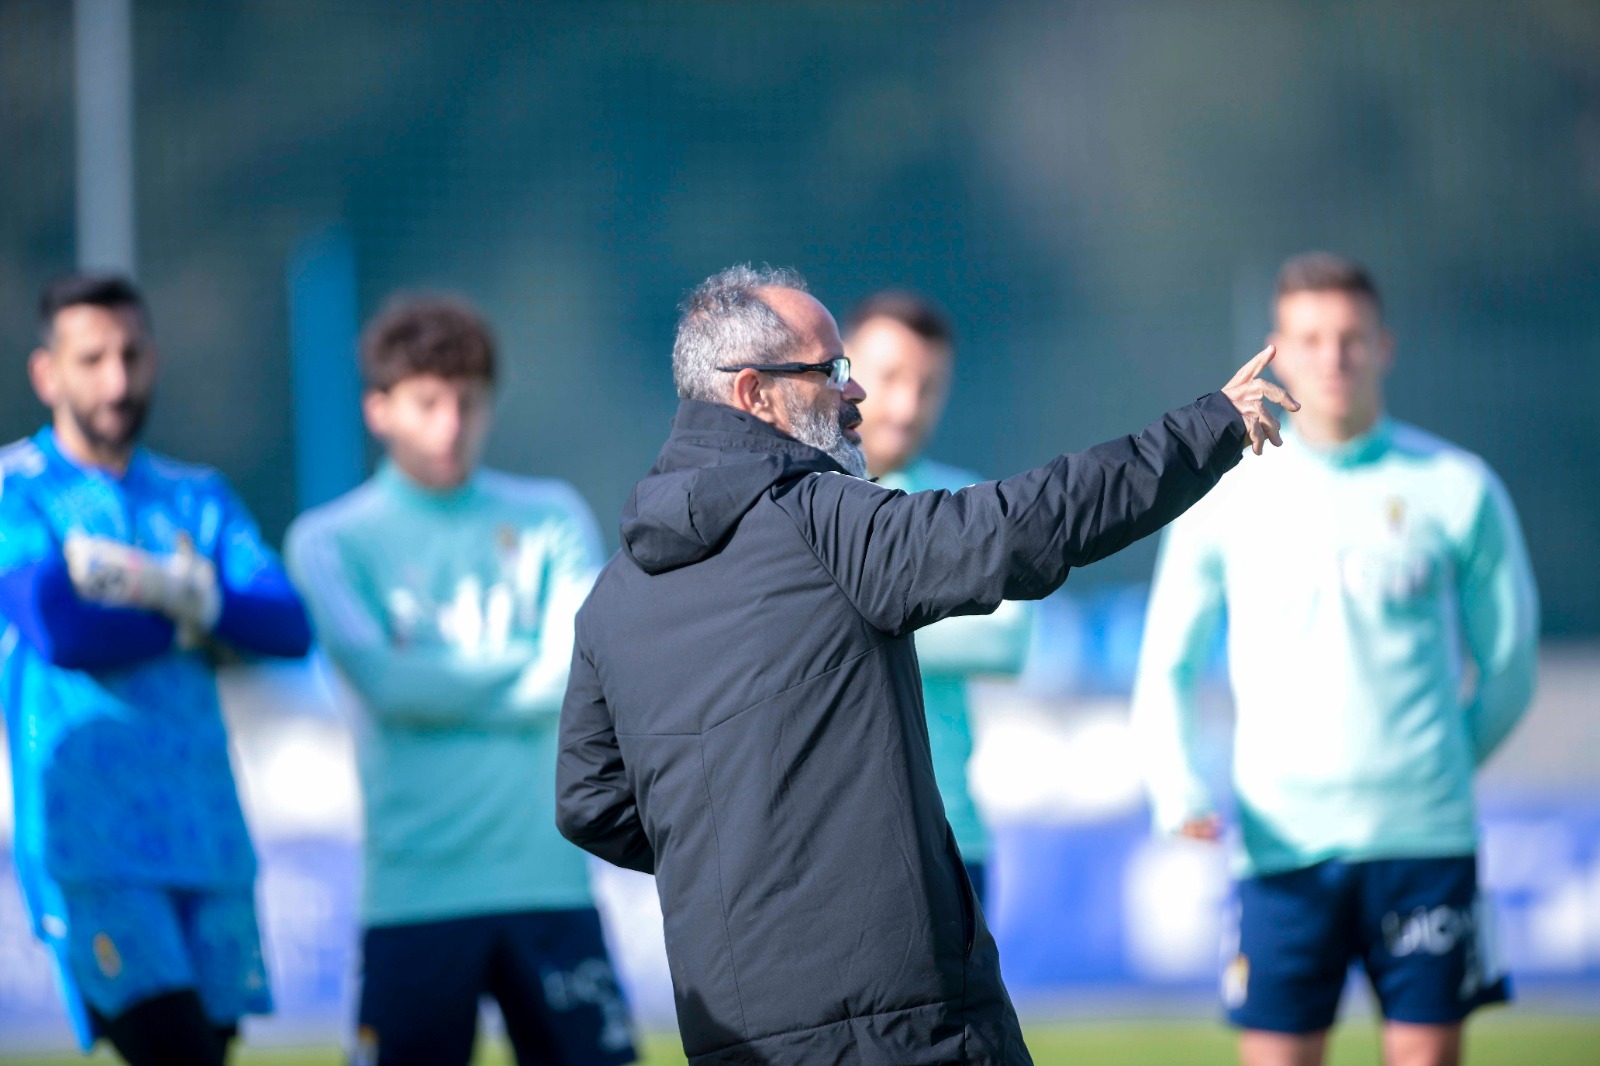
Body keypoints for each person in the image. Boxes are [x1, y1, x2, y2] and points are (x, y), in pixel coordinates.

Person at [556, 264, 1294, 1065]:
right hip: (905, 1021)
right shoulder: (821, 520)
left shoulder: (614, 596)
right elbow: (1028, 524)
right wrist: (1199, 433)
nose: (857, 395)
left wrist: (738, 848)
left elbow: (588, 800)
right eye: (830, 372)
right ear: (752, 394)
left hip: (734, 1030)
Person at [1131, 253, 1538, 1066]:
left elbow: (1510, 663)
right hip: (1282, 846)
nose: (1333, 357)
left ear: (1384, 346)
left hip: (1424, 844)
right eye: (1311, 338)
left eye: (1352, 338)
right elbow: (1167, 663)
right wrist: (1177, 785)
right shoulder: (1225, 492)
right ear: (1279, 350)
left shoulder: (1457, 487)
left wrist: (1442, 765)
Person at [285, 296, 634, 1066]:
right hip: (414, 895)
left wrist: (438, 680)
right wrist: (520, 663)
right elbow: (388, 687)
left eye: (467, 403)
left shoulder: (549, 515)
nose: (449, 426)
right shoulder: (330, 541)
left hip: (550, 886)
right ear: (379, 410)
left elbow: (584, 672)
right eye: (427, 403)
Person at [0, 274, 312, 1065]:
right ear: (47, 374)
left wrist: (159, 598)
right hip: (91, 840)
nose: (116, 379)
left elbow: (286, 623)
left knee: (205, 1049)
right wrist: (189, 607)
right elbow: (57, 629)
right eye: (92, 357)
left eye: (131, 355)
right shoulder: (16, 492)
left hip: (204, 834)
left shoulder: (195, 496)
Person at [843, 291, 1032, 904]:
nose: (906, 406)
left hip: (950, 835)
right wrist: (928, 604)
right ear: (842, 371)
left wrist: (850, 614)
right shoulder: (795, 497)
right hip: (828, 841)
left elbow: (1007, 633)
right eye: (890, 377)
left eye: (928, 386)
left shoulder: (963, 500)